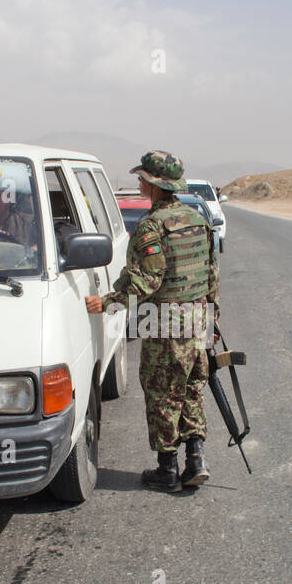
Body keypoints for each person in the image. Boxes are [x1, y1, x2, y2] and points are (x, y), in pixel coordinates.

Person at [85, 150, 219, 491]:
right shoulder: (196, 219)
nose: (140, 183)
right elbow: (211, 273)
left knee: (162, 393)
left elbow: (148, 282)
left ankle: (167, 470)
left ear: (154, 185)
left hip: (165, 322)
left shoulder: (151, 226)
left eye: (142, 179)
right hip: (198, 318)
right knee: (190, 388)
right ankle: (196, 460)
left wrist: (108, 302)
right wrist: (212, 317)